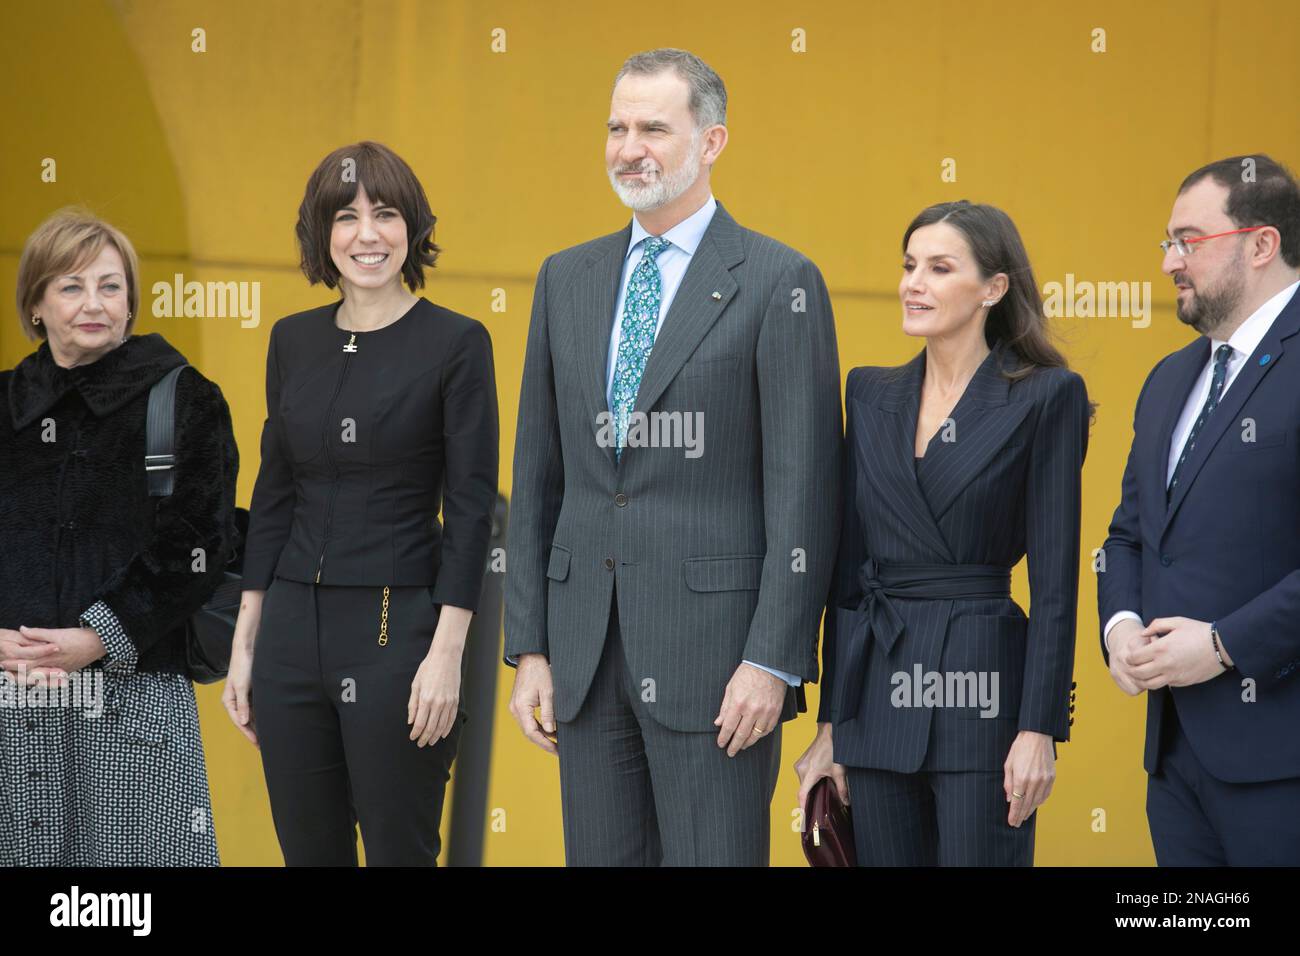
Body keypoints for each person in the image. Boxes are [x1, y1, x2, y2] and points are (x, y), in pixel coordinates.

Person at [504, 48, 842, 866]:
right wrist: (532, 646)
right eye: (617, 127)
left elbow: (807, 491)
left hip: (718, 664)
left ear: (712, 141)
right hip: (585, 653)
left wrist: (773, 660)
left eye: (654, 127)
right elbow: (538, 475)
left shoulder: (777, 281)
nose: (629, 147)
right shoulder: (566, 279)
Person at [224, 141, 499, 866]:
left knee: (398, 850)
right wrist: (246, 645)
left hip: (395, 630)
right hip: (288, 631)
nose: (366, 234)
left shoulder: (457, 344)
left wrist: (448, 655)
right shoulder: (292, 340)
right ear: (323, 234)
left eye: (385, 214)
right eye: (345, 217)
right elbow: (273, 494)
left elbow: (471, 509)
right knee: (310, 854)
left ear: (412, 226)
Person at [797, 200, 1091, 866]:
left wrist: (1039, 728)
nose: (913, 283)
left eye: (938, 267)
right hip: (876, 699)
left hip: (985, 704)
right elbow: (848, 577)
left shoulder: (1047, 396)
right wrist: (831, 725)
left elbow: (1055, 588)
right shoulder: (868, 394)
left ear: (993, 288)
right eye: (908, 266)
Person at [0, 209, 238, 865]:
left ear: (131, 301)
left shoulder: (184, 400)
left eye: (111, 286)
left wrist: (99, 637)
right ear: (37, 304)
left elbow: (200, 546)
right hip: (9, 697)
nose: (93, 304)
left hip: (134, 703)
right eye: (71, 286)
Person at [1099, 154, 1300, 865]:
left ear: (1261, 243)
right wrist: (1119, 625)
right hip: (1175, 758)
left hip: (1282, 759)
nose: (1169, 263)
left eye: (1188, 240)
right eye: (1166, 243)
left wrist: (1222, 645)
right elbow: (1128, 535)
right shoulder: (1170, 377)